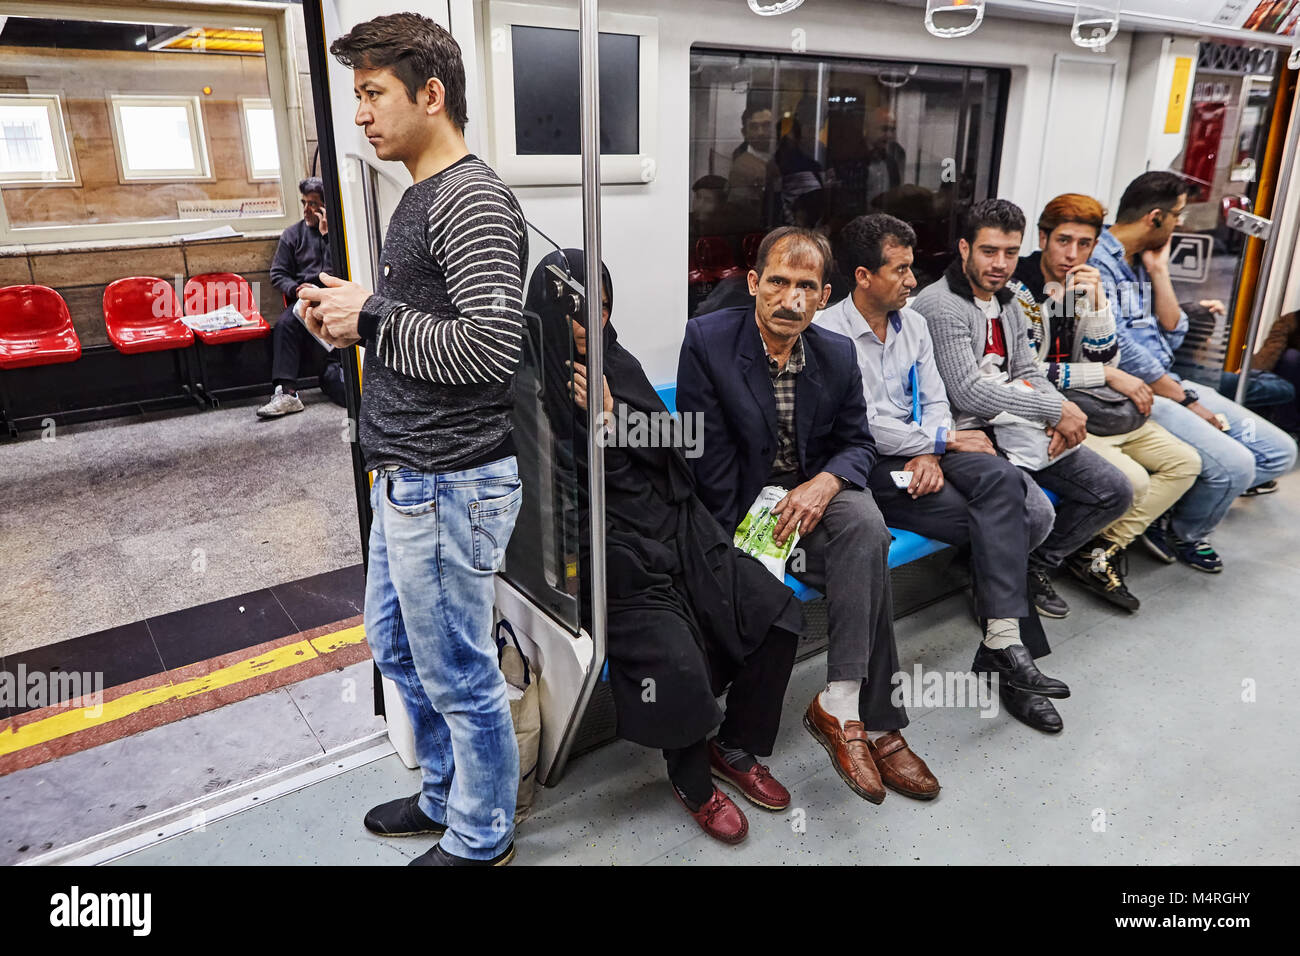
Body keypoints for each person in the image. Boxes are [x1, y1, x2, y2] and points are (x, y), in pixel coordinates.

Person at [302, 13, 528, 866]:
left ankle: (482, 836)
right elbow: (421, 332)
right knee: (396, 648)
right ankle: (443, 792)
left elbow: (490, 349)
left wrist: (374, 313)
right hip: (406, 474)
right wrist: (352, 324)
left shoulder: (467, 196)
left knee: (462, 677)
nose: (360, 114)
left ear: (431, 96)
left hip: (450, 479)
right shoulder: (419, 194)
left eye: (373, 94)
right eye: (357, 95)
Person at [527, 249, 803, 846]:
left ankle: (732, 743)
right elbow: (554, 497)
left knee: (777, 614)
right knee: (676, 662)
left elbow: (676, 448)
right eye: (575, 312)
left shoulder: (614, 363)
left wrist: (611, 418)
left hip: (681, 529)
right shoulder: (530, 384)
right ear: (547, 313)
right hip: (612, 555)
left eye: (600, 309)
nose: (589, 324)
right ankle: (692, 779)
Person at [679, 226, 942, 806]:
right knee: (865, 559)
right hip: (742, 507)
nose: (789, 299)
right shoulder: (708, 340)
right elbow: (707, 463)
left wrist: (823, 484)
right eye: (776, 282)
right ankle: (874, 724)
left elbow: (857, 443)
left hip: (813, 496)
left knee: (864, 526)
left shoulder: (834, 350)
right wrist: (752, 543)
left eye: (805, 286)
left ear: (824, 297)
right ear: (753, 284)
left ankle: (842, 701)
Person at [817, 214, 1070, 733]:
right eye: (902, 269)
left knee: (1001, 483)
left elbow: (934, 398)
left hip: (928, 450)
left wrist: (933, 448)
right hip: (871, 465)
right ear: (863, 276)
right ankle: (1011, 661)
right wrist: (936, 441)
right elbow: (861, 424)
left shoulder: (915, 324)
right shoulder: (828, 334)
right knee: (1006, 523)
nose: (913, 281)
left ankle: (1003, 641)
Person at [912, 199, 1133, 620]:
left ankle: (1033, 566)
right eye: (989, 251)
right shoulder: (941, 305)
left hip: (1017, 425)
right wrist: (1056, 410)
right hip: (965, 436)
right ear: (964, 249)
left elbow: (1028, 368)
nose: (1001, 264)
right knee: (1036, 511)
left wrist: (1058, 409)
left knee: (1113, 491)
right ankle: (992, 583)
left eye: (1010, 253)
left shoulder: (1010, 301)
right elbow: (968, 395)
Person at [1090, 171, 1297, 571]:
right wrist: (1187, 400)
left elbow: (1173, 330)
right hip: (1144, 393)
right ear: (1155, 218)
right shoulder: (1099, 264)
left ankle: (1164, 512)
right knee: (1239, 465)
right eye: (1177, 216)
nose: (1180, 225)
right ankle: (1181, 532)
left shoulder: (1139, 261)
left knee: (1278, 453)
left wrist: (1160, 271)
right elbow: (1124, 352)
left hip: (1173, 383)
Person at [1010, 194, 1201, 610]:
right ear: (1043, 237)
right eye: (1063, 241)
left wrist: (1098, 308)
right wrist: (1107, 375)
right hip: (1039, 411)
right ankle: (1041, 561)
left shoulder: (1084, 284)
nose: (1072, 254)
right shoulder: (1017, 289)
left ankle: (1095, 551)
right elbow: (1026, 372)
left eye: (1085, 244)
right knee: (1129, 483)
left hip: (1091, 406)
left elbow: (1104, 355)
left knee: (1185, 462)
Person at [259, 177, 346, 417]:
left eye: (313, 204)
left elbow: (338, 271)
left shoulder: (338, 233)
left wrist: (328, 237)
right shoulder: (292, 234)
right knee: (285, 324)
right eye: (304, 203)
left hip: (333, 295)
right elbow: (278, 274)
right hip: (304, 296)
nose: (307, 209)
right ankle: (286, 392)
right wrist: (297, 289)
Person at [728, 104, 781, 233]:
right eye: (754, 127)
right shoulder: (741, 167)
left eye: (766, 125)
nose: (761, 132)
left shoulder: (784, 156)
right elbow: (741, 213)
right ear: (744, 133)